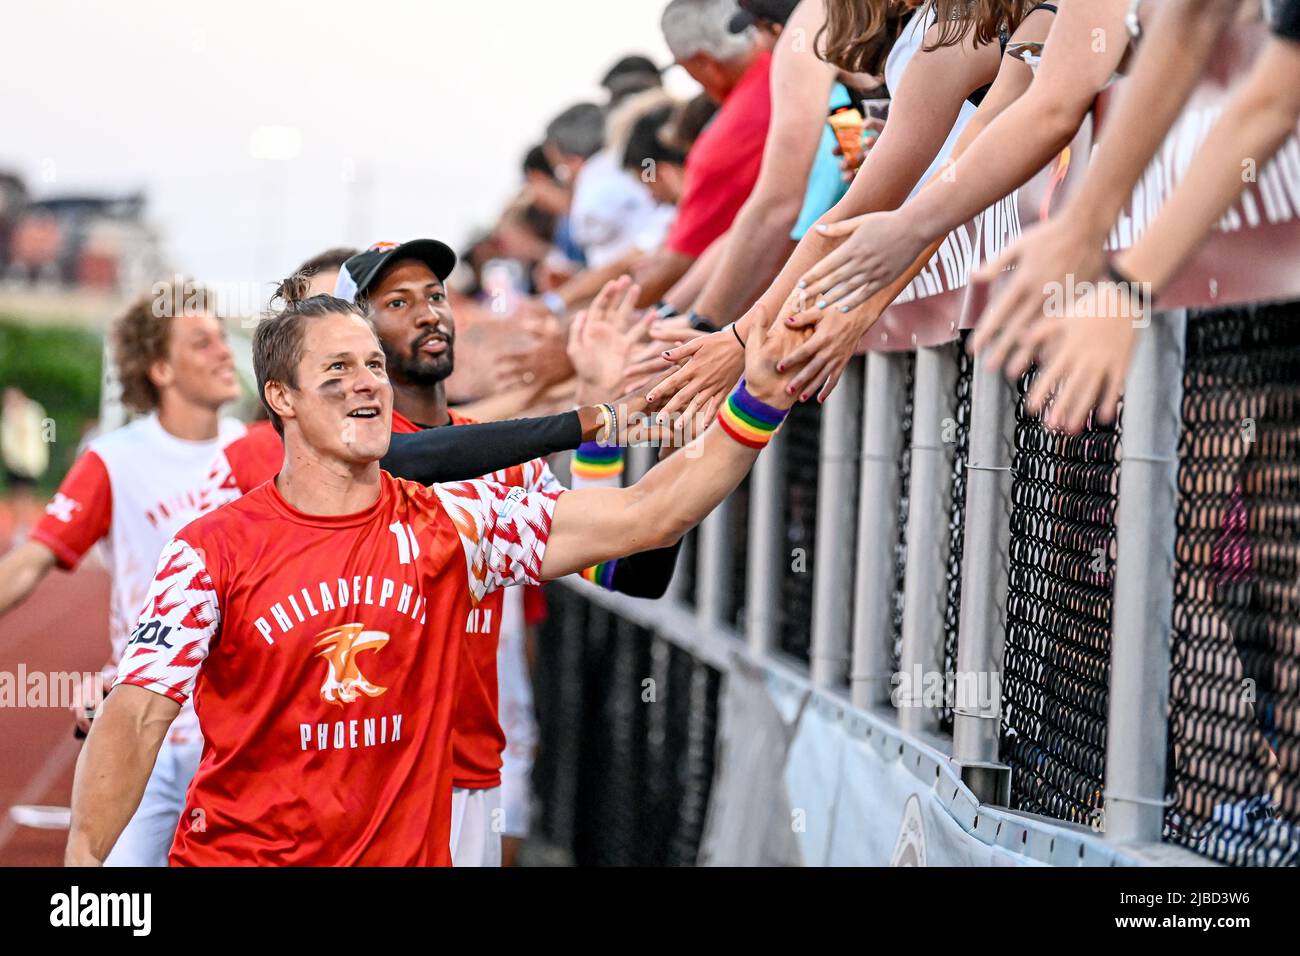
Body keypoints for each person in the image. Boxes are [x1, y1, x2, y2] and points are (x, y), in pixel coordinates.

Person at [66, 283, 804, 866]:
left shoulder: (454, 524)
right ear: (281, 398)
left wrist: (758, 401)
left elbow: (650, 514)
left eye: (374, 367)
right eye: (338, 369)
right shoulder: (211, 549)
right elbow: (136, 715)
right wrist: (85, 861)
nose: (368, 385)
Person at [219, 241, 681, 865]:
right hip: (345, 780)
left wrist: (688, 430)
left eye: (436, 296)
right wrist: (593, 414)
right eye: (398, 302)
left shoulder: (500, 456)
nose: (428, 313)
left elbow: (626, 569)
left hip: (467, 774)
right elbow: (415, 463)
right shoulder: (347, 456)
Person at [650, 0, 1024, 416]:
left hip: (997, 292)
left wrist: (734, 332)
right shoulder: (946, 33)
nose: (763, 43)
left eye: (764, 28)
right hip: (976, 293)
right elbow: (944, 183)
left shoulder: (947, 38)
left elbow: (804, 213)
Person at [0, 281, 245, 866]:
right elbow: (31, 559)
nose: (224, 351)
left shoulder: (262, 453)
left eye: (221, 338)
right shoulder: (115, 458)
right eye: (201, 341)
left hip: (236, 734)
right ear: (159, 367)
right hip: (143, 725)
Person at [631, 0, 774, 307]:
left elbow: (683, 259)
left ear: (706, 63)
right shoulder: (789, 61)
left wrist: (603, 319)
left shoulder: (725, 138)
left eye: (688, 70)